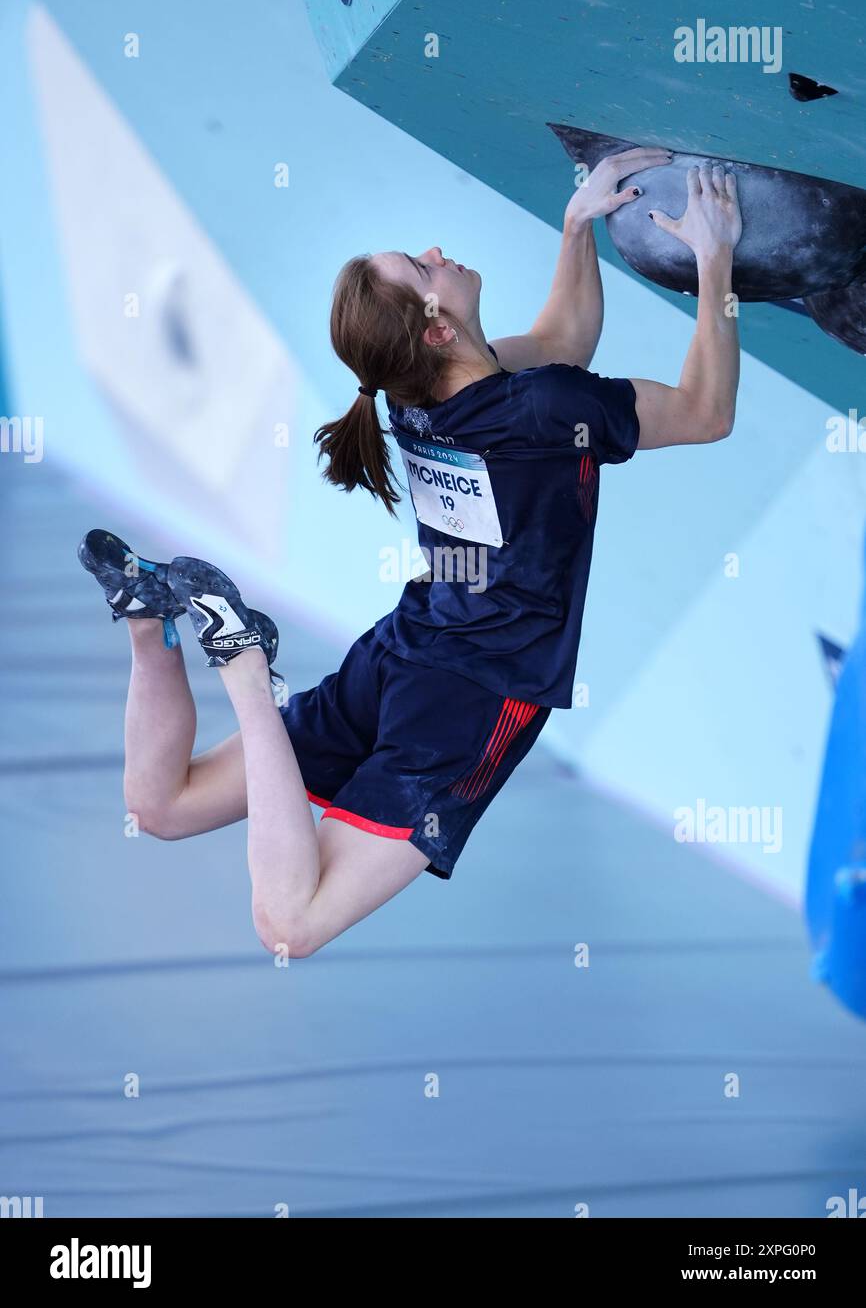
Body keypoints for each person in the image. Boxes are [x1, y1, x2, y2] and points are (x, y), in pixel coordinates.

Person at [78, 151, 741, 959]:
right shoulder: (534, 406)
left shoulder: (412, 395)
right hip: (473, 694)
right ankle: (246, 671)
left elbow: (562, 340)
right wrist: (716, 262)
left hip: (406, 653)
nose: (435, 252)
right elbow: (706, 413)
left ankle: (148, 622)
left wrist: (578, 225)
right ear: (436, 328)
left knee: (162, 809)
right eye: (421, 266)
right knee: (290, 925)